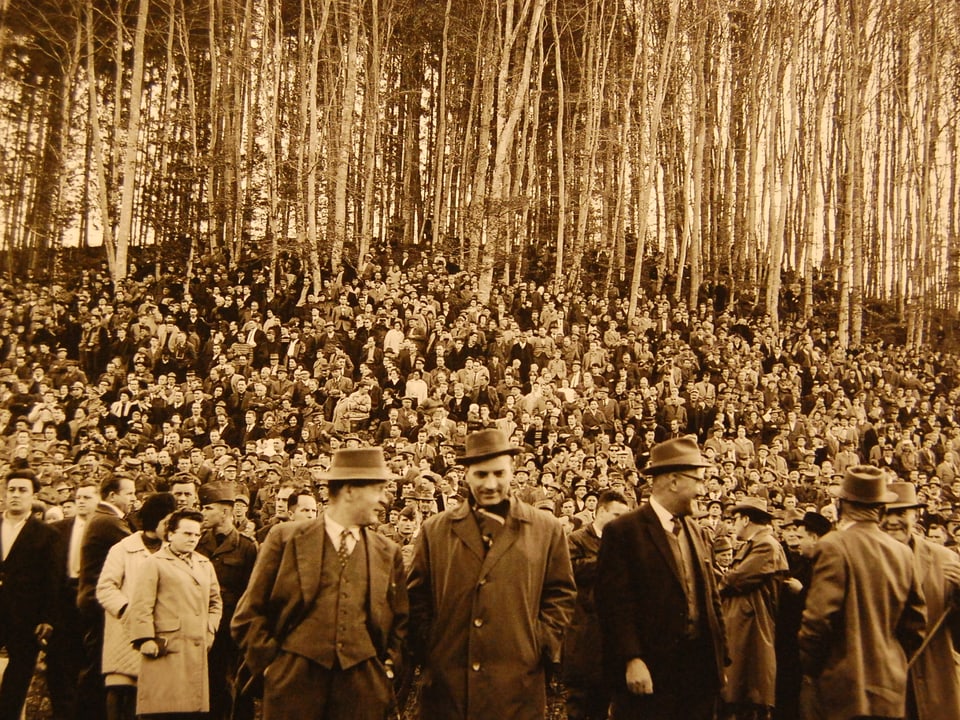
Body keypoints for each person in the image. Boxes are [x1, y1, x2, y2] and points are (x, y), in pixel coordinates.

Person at [407, 428, 577, 720]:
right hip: (449, 686)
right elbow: (416, 598)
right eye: (481, 474)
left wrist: (539, 642)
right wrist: (433, 644)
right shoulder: (435, 531)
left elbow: (561, 594)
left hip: (517, 683)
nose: (490, 483)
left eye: (499, 473)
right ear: (466, 475)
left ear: (512, 472)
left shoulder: (545, 529)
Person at [231, 447, 408, 719]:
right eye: (378, 489)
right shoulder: (286, 539)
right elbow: (248, 614)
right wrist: (272, 668)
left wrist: (386, 668)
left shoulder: (387, 551)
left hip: (362, 691)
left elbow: (399, 621)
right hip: (293, 689)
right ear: (349, 490)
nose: (384, 500)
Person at [596, 435, 727, 720]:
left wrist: (720, 660)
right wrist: (632, 659)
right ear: (675, 481)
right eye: (699, 480)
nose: (703, 490)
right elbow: (613, 604)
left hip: (698, 676)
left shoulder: (697, 531)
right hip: (651, 677)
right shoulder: (624, 531)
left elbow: (710, 597)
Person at [799, 466, 927, 720]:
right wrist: (893, 665)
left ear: (843, 504)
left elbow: (818, 620)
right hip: (888, 689)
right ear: (880, 508)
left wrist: (811, 668)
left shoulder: (832, 546)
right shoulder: (902, 552)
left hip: (839, 689)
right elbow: (916, 626)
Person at [126, 508, 223, 718]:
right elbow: (142, 605)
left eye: (197, 534)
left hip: (196, 646)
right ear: (171, 534)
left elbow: (215, 602)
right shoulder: (154, 563)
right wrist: (145, 639)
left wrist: (210, 628)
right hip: (166, 646)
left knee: (191, 709)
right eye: (187, 533)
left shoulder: (204, 564)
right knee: (164, 707)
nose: (193, 539)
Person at [881, 482, 960, 720]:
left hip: (937, 682)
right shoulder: (864, 560)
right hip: (883, 685)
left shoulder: (945, 560)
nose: (893, 520)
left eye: (901, 512)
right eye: (887, 512)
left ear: (916, 515)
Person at [96, 492, 178, 720]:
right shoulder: (123, 549)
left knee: (151, 699)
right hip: (124, 635)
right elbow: (105, 588)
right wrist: (126, 611)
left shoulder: (172, 551)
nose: (170, 528)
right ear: (154, 520)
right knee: (120, 693)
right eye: (166, 522)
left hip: (158, 632)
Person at [719, 496, 789, 720]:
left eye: (735, 519)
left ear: (746, 519)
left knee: (750, 695)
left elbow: (735, 580)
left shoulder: (766, 545)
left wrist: (713, 582)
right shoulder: (756, 545)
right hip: (743, 626)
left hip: (752, 628)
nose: (733, 525)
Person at [563, 489, 630, 720]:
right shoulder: (577, 539)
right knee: (579, 701)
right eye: (616, 515)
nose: (620, 521)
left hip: (611, 633)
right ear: (600, 512)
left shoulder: (623, 543)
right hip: (584, 632)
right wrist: (606, 559)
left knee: (603, 701)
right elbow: (570, 571)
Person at [0, 468, 62, 720]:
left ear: (33, 495)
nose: (16, 495)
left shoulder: (46, 534)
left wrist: (47, 618)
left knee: (17, 679)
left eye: (22, 490)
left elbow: (52, 580)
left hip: (24, 617)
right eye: (11, 489)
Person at [76, 473, 137, 720]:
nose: (134, 498)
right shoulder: (109, 522)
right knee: (96, 670)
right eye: (129, 493)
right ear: (113, 495)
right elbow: (138, 548)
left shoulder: (103, 519)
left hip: (93, 600)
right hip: (99, 604)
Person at [196, 481, 258, 720]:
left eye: (208, 508)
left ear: (225, 512)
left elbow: (252, 593)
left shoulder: (246, 547)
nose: (203, 513)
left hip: (231, 629)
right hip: (202, 626)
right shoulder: (199, 543)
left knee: (232, 685)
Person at [774, 512, 832, 720]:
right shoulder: (803, 561)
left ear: (814, 537)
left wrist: (801, 592)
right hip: (791, 641)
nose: (796, 542)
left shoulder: (826, 563)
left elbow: (825, 604)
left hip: (808, 646)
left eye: (801, 537)